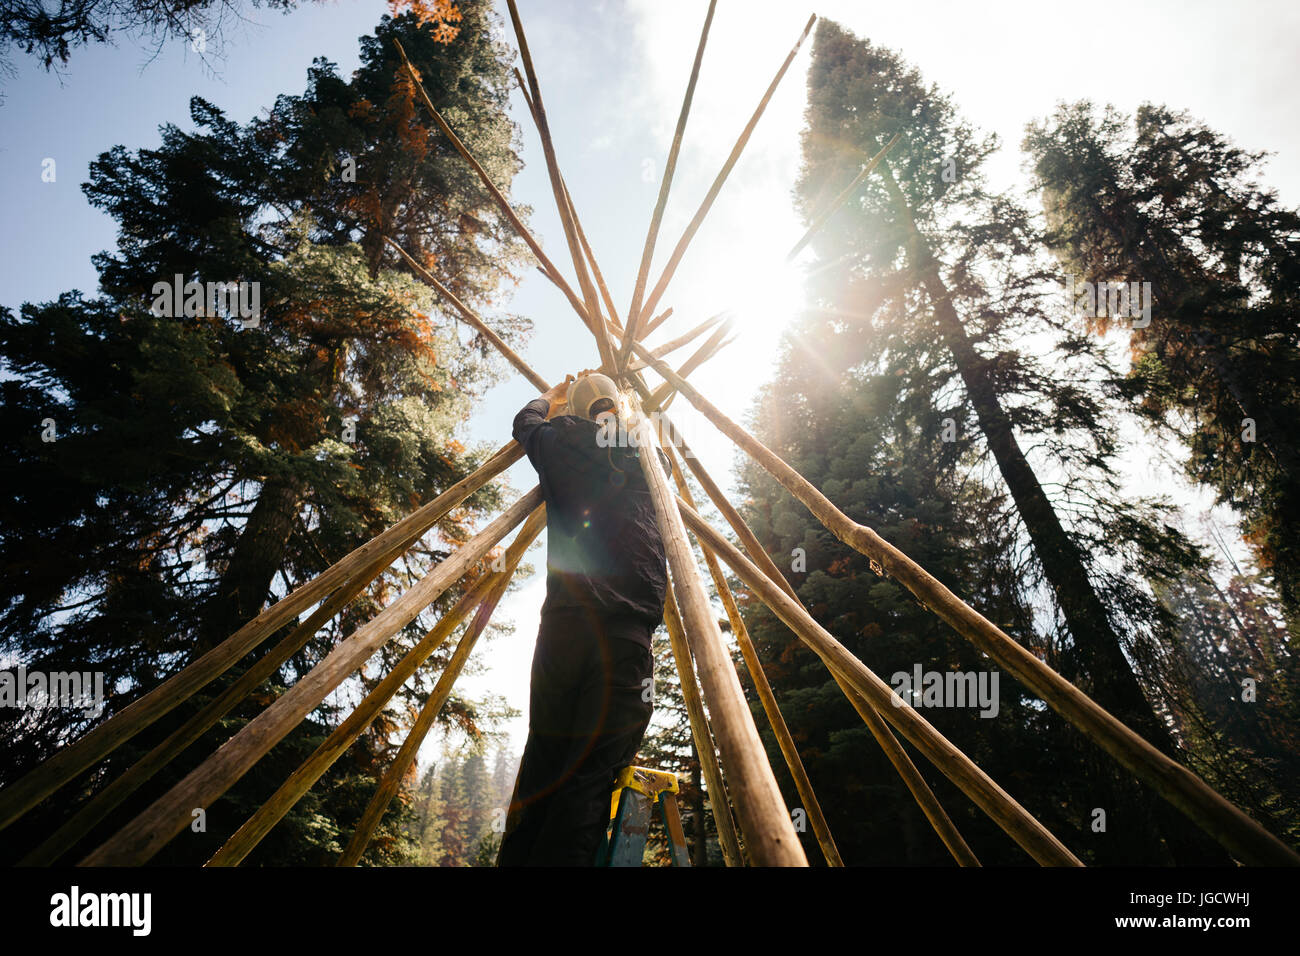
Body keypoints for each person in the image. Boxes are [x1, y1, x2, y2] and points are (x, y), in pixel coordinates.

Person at [496, 371, 669, 866]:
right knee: (589, 779)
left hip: (564, 627)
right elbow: (657, 453)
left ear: (571, 410)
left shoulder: (557, 441)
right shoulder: (646, 453)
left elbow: (525, 421)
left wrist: (550, 401)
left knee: (543, 766)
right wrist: (624, 409)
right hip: (625, 631)